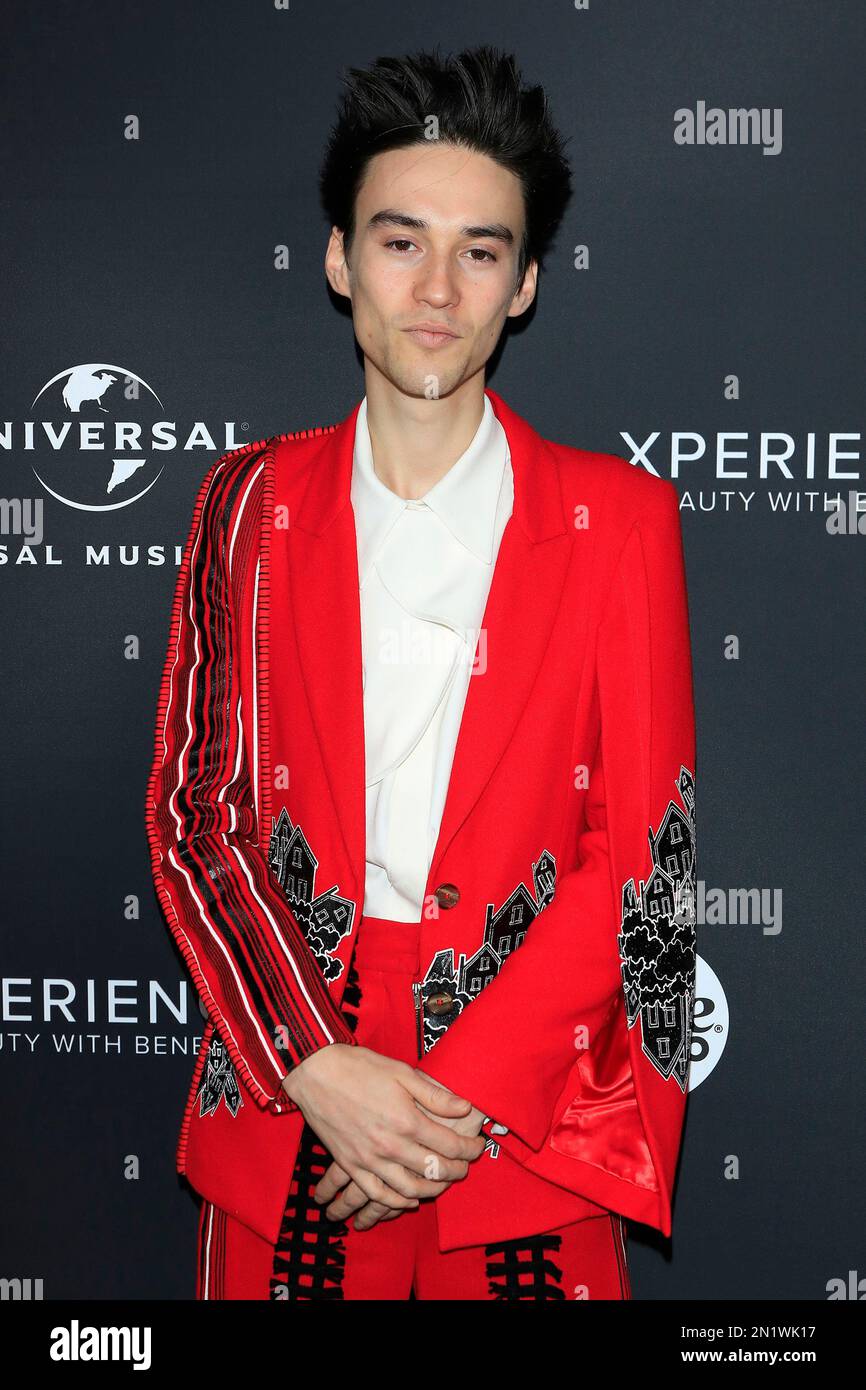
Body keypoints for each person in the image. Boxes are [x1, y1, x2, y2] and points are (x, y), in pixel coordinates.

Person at [145, 45, 697, 1301]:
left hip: (523, 1098)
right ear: (339, 260)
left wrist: (455, 1098)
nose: (437, 287)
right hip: (296, 1069)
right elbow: (194, 813)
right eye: (401, 242)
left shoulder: (620, 520)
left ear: (526, 285)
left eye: (481, 250)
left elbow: (643, 856)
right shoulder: (244, 501)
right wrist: (313, 1063)